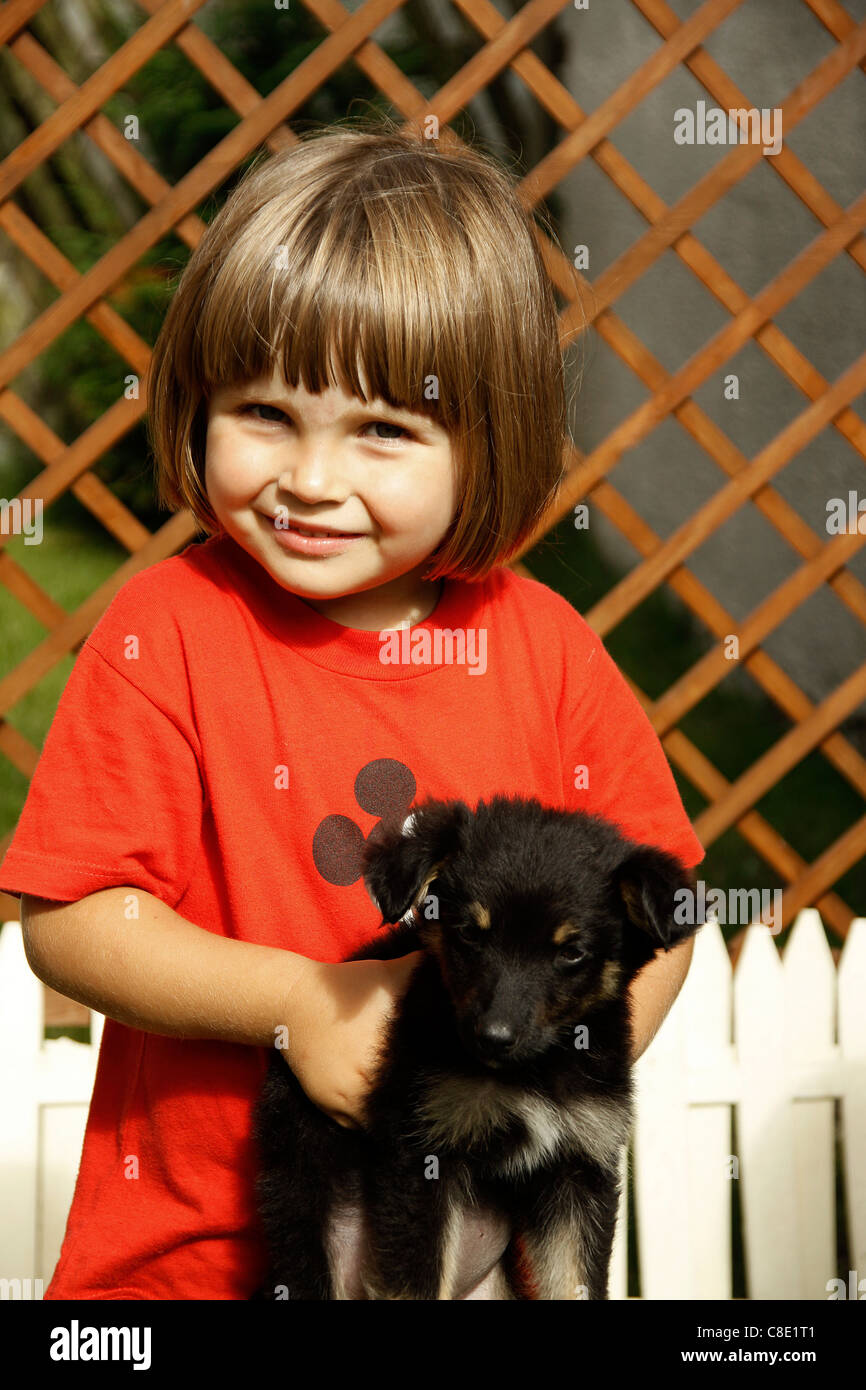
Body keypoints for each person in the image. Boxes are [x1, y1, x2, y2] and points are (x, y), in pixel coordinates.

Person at [0, 118, 704, 1300]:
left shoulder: (545, 650)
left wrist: (540, 1083)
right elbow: (70, 918)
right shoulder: (165, 631)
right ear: (197, 402)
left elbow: (656, 910)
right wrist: (299, 1004)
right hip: (190, 1272)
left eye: (382, 430)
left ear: (489, 445)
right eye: (265, 413)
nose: (311, 480)